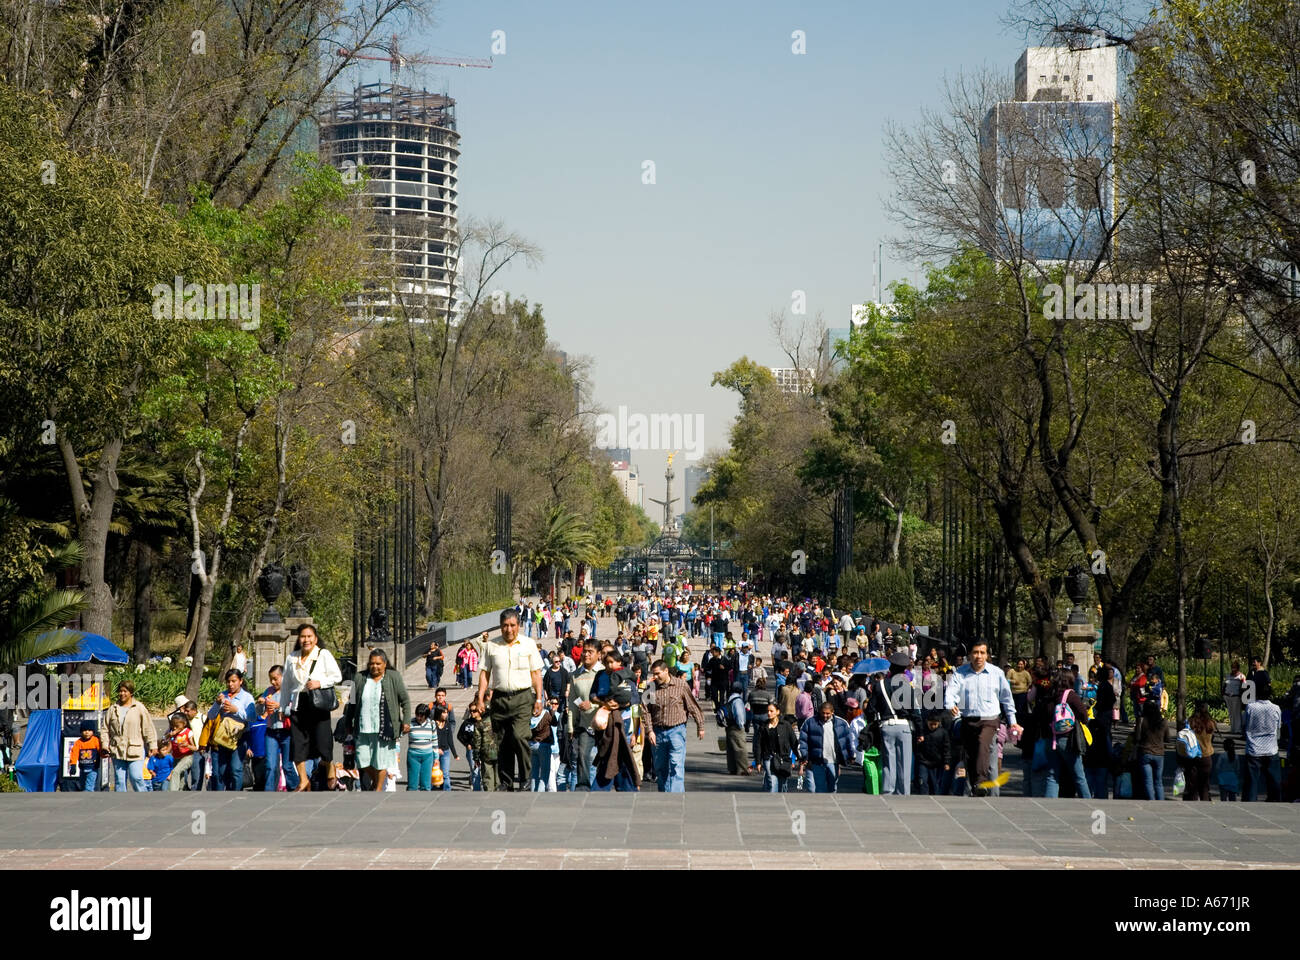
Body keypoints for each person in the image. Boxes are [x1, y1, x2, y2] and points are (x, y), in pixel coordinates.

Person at [474, 609, 544, 791]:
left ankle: (525, 778)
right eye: (505, 625)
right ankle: (505, 781)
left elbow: (536, 673)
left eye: (512, 625)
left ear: (518, 625)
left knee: (520, 736)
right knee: (503, 740)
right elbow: (484, 674)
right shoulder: (491, 646)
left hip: (522, 698)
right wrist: (480, 698)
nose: (509, 629)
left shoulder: (528, 644)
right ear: (500, 626)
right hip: (499, 699)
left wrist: (539, 698)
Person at [943, 640, 1020, 796]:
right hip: (968, 719)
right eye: (975, 652)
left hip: (990, 719)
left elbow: (1006, 698)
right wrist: (951, 705)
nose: (979, 656)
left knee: (982, 743)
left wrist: (1013, 722)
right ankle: (976, 787)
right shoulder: (960, 673)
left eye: (982, 653)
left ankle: (980, 782)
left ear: (987, 655)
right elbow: (950, 693)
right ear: (970, 655)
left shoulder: (996, 673)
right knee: (971, 755)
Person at [281, 623, 342, 792]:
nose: (306, 640)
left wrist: (320, 683)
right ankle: (303, 780)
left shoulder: (323, 655)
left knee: (324, 744)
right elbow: (286, 685)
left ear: (315, 639)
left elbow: (337, 676)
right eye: (303, 636)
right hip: (298, 705)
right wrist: (282, 707)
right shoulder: (291, 657)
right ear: (299, 639)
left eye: (309, 636)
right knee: (298, 744)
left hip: (317, 704)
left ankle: (328, 765)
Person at [346, 649, 411, 791]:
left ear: (385, 664)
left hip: (384, 727)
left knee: (380, 761)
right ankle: (376, 783)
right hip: (363, 727)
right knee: (362, 760)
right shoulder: (359, 677)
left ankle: (377, 789)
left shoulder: (393, 677)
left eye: (378, 663)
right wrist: (347, 722)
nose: (374, 666)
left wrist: (406, 720)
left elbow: (405, 700)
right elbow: (351, 702)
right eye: (372, 663)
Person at [645, 658, 706, 792]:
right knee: (660, 767)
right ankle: (665, 795)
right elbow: (646, 710)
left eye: (657, 673)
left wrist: (700, 725)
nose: (655, 677)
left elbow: (692, 706)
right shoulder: (651, 687)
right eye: (653, 674)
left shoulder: (681, 685)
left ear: (666, 671)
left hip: (676, 731)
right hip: (658, 733)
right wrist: (649, 731)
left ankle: (677, 798)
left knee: (676, 766)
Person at [867, 653, 920, 795]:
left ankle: (887, 792)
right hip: (904, 726)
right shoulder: (908, 687)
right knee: (905, 763)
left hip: (886, 725)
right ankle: (903, 793)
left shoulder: (880, 685)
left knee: (888, 762)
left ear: (890, 667)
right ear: (905, 669)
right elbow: (914, 712)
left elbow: (870, 709)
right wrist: (920, 732)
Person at [1039, 669, 1091, 799]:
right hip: (1068, 741)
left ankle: (1049, 804)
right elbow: (1084, 715)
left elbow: (1042, 717)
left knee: (1052, 776)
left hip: (1051, 740)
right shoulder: (1071, 695)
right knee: (1079, 776)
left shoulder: (1049, 695)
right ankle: (1088, 802)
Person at [206, 669, 257, 791]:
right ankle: (221, 794)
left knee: (236, 768)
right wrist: (217, 704)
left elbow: (252, 717)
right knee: (221, 770)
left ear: (240, 681)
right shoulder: (223, 695)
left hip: (240, 737)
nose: (231, 684)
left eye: (234, 681)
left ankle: (236, 793)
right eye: (228, 682)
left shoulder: (247, 697)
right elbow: (211, 716)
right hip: (223, 736)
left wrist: (236, 711)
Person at [104, 680, 157, 792]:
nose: (122, 694)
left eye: (125, 691)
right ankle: (120, 803)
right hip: (117, 750)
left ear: (131, 693)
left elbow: (148, 727)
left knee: (136, 776)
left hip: (135, 749)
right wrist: (105, 744)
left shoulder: (139, 708)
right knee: (120, 780)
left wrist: (153, 744)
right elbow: (105, 728)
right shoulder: (113, 709)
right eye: (120, 691)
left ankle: (143, 799)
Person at [568, 640, 605, 790]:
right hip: (585, 724)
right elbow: (572, 701)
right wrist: (571, 726)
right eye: (585, 651)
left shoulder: (604, 672)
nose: (586, 654)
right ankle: (583, 786)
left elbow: (611, 697)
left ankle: (602, 786)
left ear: (599, 654)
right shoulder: (576, 675)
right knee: (582, 755)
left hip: (603, 723)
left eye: (590, 651)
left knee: (605, 757)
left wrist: (593, 704)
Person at [256, 665, 298, 791]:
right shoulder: (268, 691)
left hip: (287, 732)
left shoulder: (291, 692)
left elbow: (295, 710)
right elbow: (259, 713)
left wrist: (280, 706)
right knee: (270, 765)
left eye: (276, 679)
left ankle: (295, 787)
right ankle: (269, 791)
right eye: (271, 679)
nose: (273, 682)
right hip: (271, 732)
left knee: (287, 766)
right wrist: (260, 704)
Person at [798, 700, 854, 793]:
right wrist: (804, 755)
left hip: (833, 761)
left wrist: (851, 755)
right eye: (823, 713)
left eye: (827, 713)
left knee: (832, 787)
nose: (825, 715)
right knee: (820, 788)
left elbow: (848, 740)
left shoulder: (841, 723)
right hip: (817, 761)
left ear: (832, 712)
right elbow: (803, 740)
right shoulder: (810, 723)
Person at [1242, 682, 1282, 802]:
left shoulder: (1250, 707)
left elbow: (1244, 724)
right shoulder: (1276, 708)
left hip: (1254, 748)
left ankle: (1251, 800)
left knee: (1252, 781)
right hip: (1271, 748)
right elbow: (1278, 726)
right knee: (1274, 780)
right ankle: (1274, 800)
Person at [756, 702, 799, 792]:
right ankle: (773, 801)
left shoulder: (785, 725)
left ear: (777, 712)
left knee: (783, 783)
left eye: (771, 711)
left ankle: (783, 799)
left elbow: (794, 742)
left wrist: (800, 757)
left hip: (783, 758)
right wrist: (758, 762)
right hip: (769, 758)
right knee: (772, 782)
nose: (769, 713)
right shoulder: (763, 726)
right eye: (767, 711)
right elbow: (759, 744)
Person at [1181, 702, 1215, 802]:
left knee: (1192, 786)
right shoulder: (1211, 723)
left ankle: (1193, 804)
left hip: (1192, 756)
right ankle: (1205, 805)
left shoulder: (1190, 722)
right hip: (1206, 755)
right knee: (1204, 786)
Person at [1136, 699, 1168, 800]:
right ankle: (1160, 801)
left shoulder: (1141, 720)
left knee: (1148, 780)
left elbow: (1137, 737)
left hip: (1145, 752)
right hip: (1159, 753)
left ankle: (1151, 801)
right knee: (1158, 781)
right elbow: (1168, 738)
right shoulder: (1163, 722)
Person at [468, 700, 499, 792]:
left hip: (486, 754)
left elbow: (477, 743)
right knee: (499, 777)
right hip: (500, 752)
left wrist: (476, 758)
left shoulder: (479, 724)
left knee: (487, 778)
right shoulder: (499, 722)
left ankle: (489, 794)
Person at [915, 715, 950, 794]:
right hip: (923, 761)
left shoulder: (943, 733)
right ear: (927, 722)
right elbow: (916, 746)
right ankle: (923, 797)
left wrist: (946, 762)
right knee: (922, 781)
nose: (933, 726)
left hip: (936, 763)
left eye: (935, 724)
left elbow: (946, 749)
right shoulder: (922, 732)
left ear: (938, 723)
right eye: (931, 724)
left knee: (935, 785)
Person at [723, 681, 750, 775]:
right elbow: (739, 714)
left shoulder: (729, 699)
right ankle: (743, 769)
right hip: (736, 727)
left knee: (731, 748)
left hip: (729, 726)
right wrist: (741, 725)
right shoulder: (738, 701)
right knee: (740, 748)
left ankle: (732, 768)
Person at [407, 703, 436, 790]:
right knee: (412, 784)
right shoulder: (410, 723)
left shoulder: (431, 723)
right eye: (417, 715)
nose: (419, 718)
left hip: (427, 756)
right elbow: (398, 736)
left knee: (426, 784)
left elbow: (434, 740)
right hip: (413, 756)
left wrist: (436, 757)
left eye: (421, 716)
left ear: (426, 716)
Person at [432, 704, 458, 790]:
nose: (446, 715)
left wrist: (455, 754)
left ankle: (446, 790)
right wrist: (436, 749)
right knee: (433, 772)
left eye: (446, 713)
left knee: (445, 774)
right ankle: (431, 789)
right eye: (444, 713)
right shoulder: (433, 724)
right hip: (434, 752)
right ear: (439, 713)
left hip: (445, 752)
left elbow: (450, 740)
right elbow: (430, 739)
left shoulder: (447, 724)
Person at [69, 724, 101, 792]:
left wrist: (105, 753)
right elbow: (74, 754)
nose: (87, 732)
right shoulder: (78, 742)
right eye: (84, 730)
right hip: (82, 768)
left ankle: (88, 799)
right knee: (82, 785)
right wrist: (73, 765)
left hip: (93, 768)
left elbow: (100, 751)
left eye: (89, 730)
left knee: (89, 786)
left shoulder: (95, 740)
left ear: (93, 731)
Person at [1007, 658, 1031, 726]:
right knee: (1013, 710)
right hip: (1012, 694)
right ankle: (1012, 724)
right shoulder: (1011, 671)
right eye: (1018, 664)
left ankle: (1021, 725)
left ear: (1024, 665)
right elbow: (1006, 680)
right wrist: (1013, 681)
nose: (1019, 666)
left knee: (1021, 711)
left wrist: (1026, 689)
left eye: (1021, 664)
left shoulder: (1026, 673)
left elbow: (1030, 682)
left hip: (1022, 694)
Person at [1224, 661, 1245, 734]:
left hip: (1236, 697)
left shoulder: (1241, 676)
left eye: (1235, 667)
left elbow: (1244, 687)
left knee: (1237, 713)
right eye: (1232, 667)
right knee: (1231, 713)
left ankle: (1238, 729)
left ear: (1238, 668)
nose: (1233, 669)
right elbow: (1225, 685)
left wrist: (1241, 696)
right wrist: (1223, 694)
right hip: (1227, 696)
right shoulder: (1228, 676)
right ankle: (1232, 729)